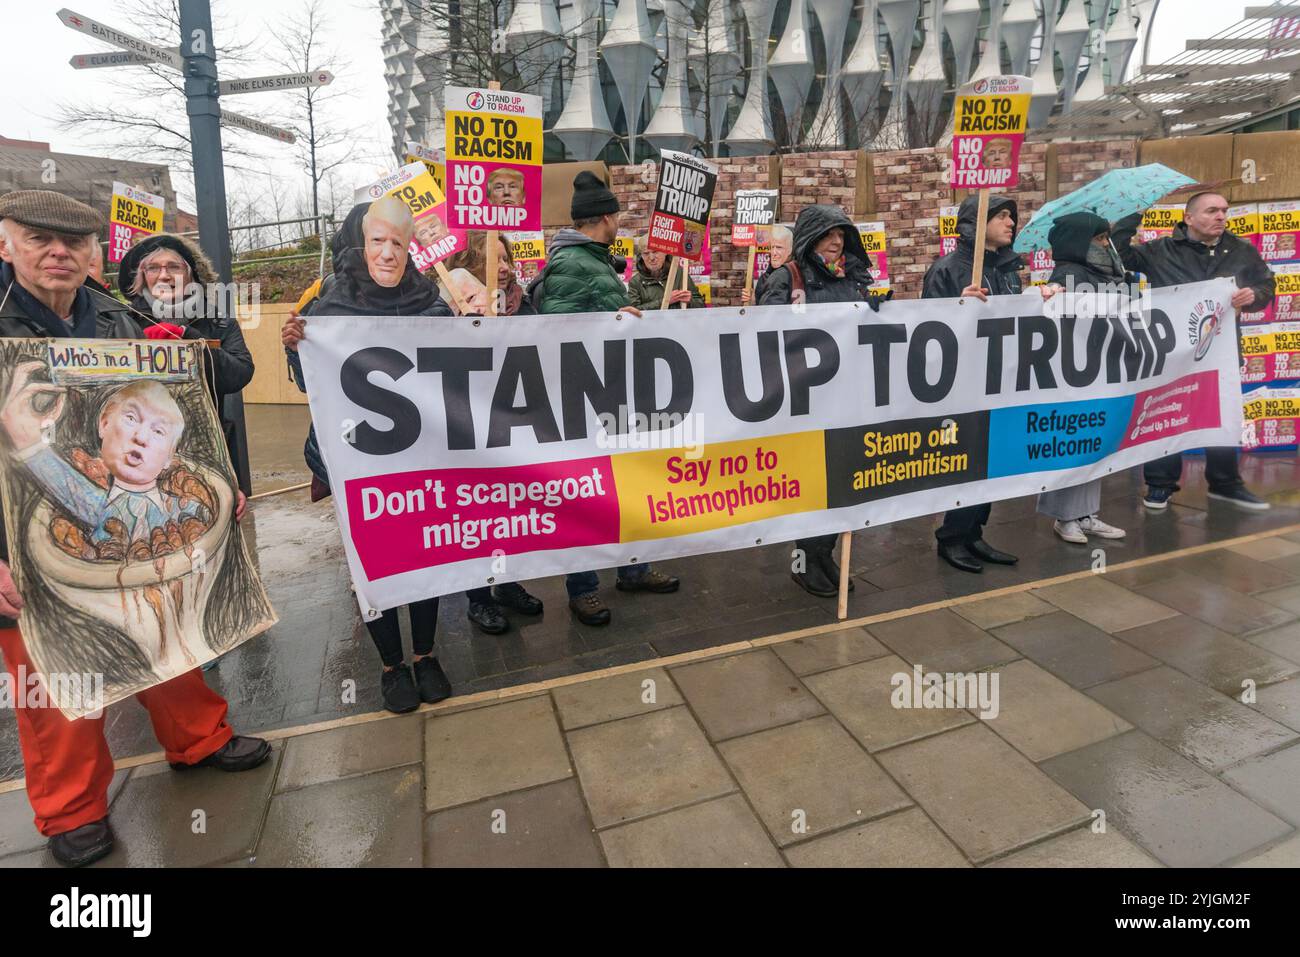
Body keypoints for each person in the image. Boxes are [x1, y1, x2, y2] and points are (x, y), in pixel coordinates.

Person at [0, 189, 268, 868]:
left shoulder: (122, 317)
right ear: (6, 244)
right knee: (62, 677)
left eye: (74, 243)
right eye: (38, 239)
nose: (58, 253)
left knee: (169, 635)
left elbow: (176, 411)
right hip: (23, 543)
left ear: (95, 252)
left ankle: (199, 739)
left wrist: (219, 480)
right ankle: (72, 811)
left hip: (134, 520)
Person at [282, 196, 456, 714]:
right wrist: (295, 348)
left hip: (420, 458)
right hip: (355, 462)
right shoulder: (328, 304)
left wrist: (479, 326)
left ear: (410, 251)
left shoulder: (431, 301)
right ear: (360, 244)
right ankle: (391, 665)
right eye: (377, 241)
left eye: (397, 243)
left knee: (424, 554)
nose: (387, 253)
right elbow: (309, 383)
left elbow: (467, 370)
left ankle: (425, 655)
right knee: (374, 561)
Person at [526, 170, 680, 626]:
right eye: (616, 215)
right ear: (606, 217)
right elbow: (558, 331)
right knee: (585, 495)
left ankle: (632, 567)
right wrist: (610, 320)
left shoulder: (591, 259)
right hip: (585, 398)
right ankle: (583, 588)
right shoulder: (572, 263)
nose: (619, 222)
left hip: (609, 393)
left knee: (623, 486)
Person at [1113, 191, 1276, 511]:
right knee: (1166, 413)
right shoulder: (1160, 250)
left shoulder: (1241, 250)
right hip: (1172, 353)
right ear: (1188, 218)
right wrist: (1135, 212)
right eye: (1212, 211)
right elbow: (1118, 256)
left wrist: (1253, 295)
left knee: (1221, 413)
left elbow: (1267, 286)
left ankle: (1226, 483)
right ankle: (1160, 485)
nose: (1221, 217)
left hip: (1222, 351)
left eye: (1224, 211)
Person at [759, 203, 886, 597]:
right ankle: (804, 561)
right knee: (810, 485)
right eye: (829, 234)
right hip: (803, 402)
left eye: (843, 235)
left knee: (839, 484)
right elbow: (762, 334)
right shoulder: (787, 278)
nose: (837, 241)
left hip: (847, 399)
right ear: (811, 237)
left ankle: (824, 552)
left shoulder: (856, 278)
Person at [439, 232, 547, 635]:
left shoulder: (521, 302)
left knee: (508, 513)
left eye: (506, 259)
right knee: (476, 516)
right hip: (469, 429)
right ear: (471, 259)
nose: (503, 267)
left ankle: (507, 583)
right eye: (494, 258)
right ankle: (478, 599)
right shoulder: (448, 304)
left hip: (513, 426)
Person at [922, 193, 1023, 574]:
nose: (1010, 223)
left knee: (992, 461)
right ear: (975, 225)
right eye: (1000, 216)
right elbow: (925, 328)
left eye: (1011, 217)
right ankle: (952, 536)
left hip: (1000, 381)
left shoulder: (1008, 269)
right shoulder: (947, 269)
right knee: (967, 460)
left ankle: (974, 530)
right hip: (963, 387)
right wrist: (956, 308)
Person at [117, 233, 255, 468]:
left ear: (192, 275)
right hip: (137, 450)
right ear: (142, 277)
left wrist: (189, 338)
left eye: (174, 267)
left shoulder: (218, 322)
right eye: (153, 268)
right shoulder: (121, 322)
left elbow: (239, 374)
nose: (164, 275)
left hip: (206, 450)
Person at [1034, 212, 1129, 544]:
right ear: (1080, 243)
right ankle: (1066, 516)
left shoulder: (1097, 271)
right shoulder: (1070, 274)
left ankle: (1085, 512)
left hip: (1096, 369)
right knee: (1073, 442)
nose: (1107, 245)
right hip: (1076, 374)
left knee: (1092, 442)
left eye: (1107, 238)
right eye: (1100, 239)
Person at [625, 236, 704, 310]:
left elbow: (701, 305)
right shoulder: (636, 282)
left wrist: (690, 301)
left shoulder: (679, 274)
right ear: (641, 256)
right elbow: (633, 313)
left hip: (678, 324)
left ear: (665, 252)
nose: (651, 258)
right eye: (646, 253)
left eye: (655, 252)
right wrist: (665, 301)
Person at [740, 224, 793, 306]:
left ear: (790, 250)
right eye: (772, 247)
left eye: (779, 247)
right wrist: (752, 301)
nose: (773, 253)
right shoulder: (764, 278)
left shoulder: (796, 276)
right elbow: (759, 312)